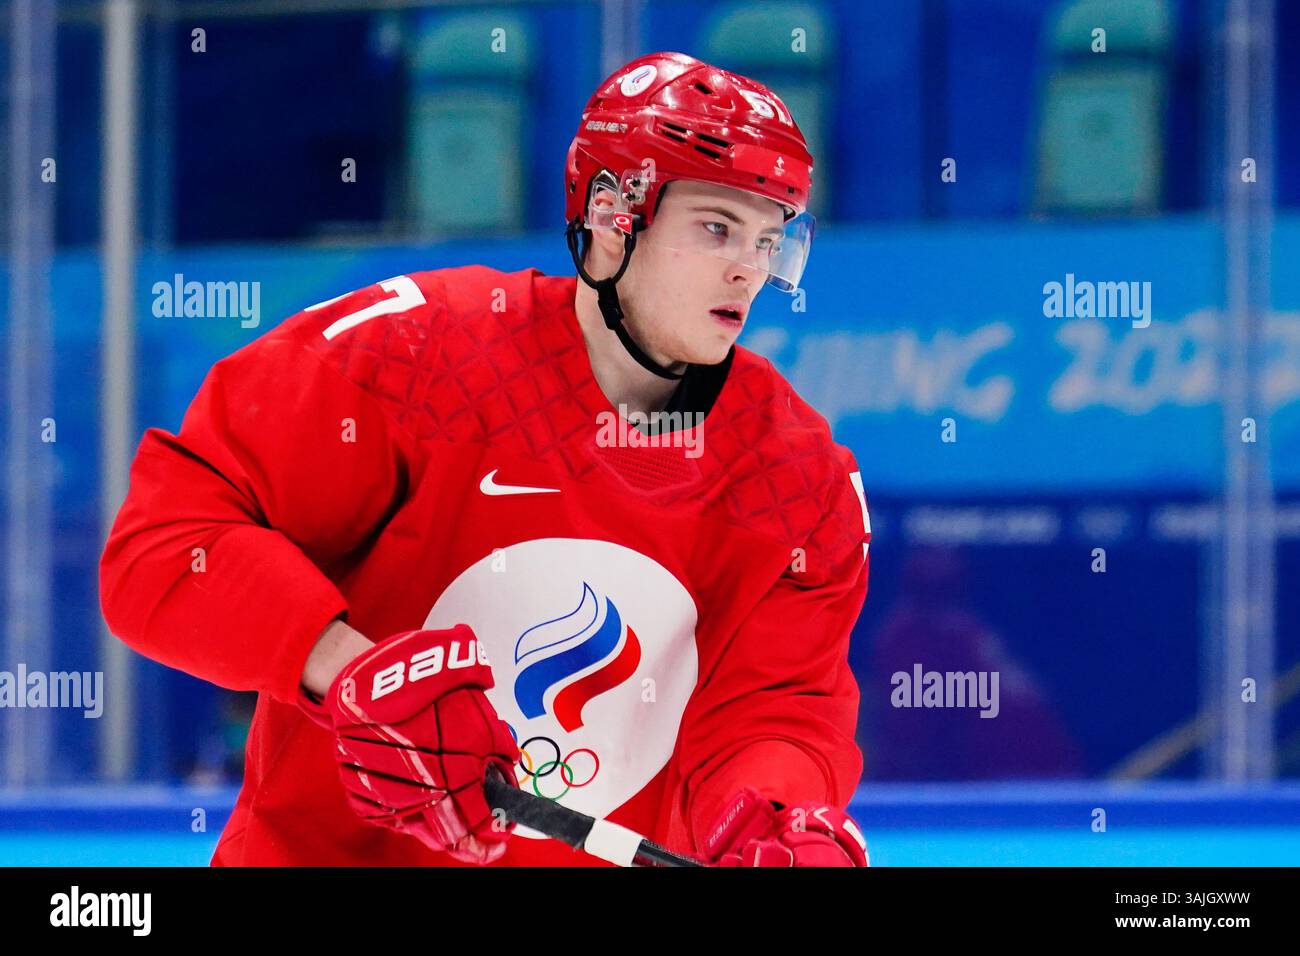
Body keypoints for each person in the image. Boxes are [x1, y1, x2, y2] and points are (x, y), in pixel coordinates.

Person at [100, 51, 871, 867]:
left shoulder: (798, 477)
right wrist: (351, 672)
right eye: (716, 227)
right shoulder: (412, 359)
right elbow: (165, 545)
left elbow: (778, 709)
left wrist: (778, 821)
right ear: (612, 219)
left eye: (770, 237)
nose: (750, 267)